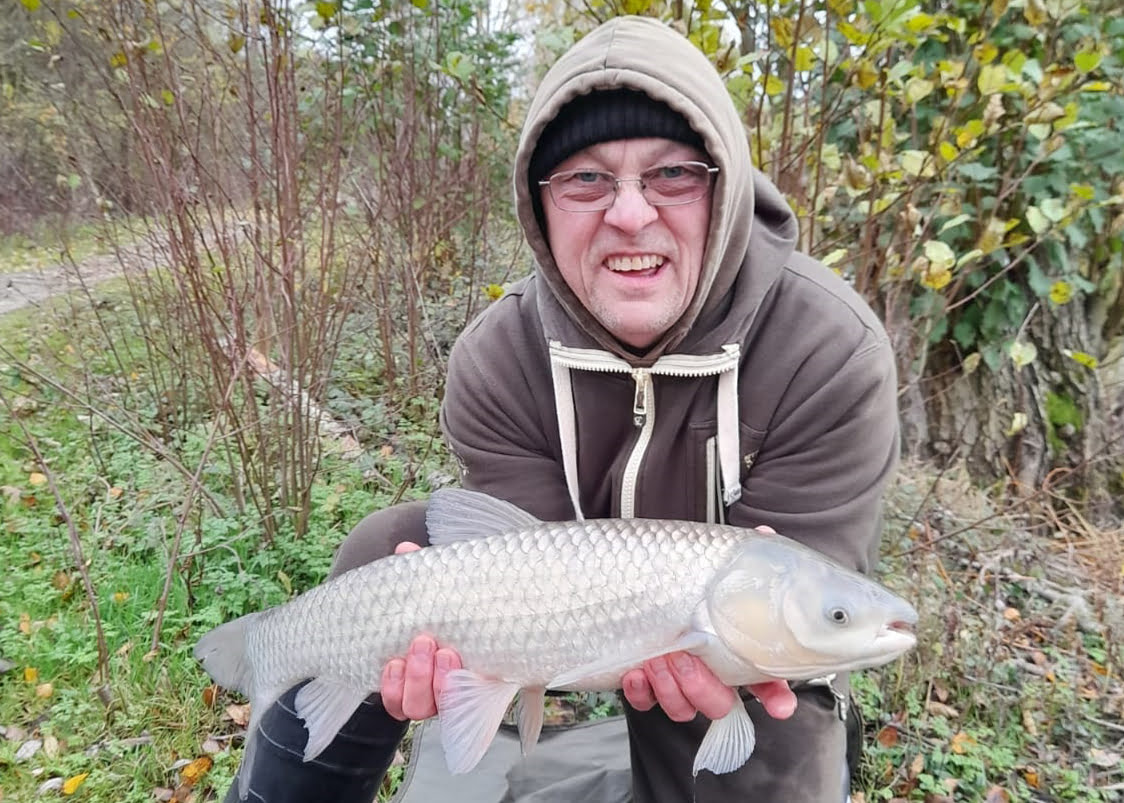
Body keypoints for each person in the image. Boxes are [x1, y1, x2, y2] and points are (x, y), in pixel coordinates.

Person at [221, 14, 899, 803]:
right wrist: (468, 645)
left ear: (726, 186)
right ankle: (282, 727)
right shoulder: (498, 355)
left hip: (738, 639)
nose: (631, 214)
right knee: (389, 555)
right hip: (575, 605)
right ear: (540, 209)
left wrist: (765, 661)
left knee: (757, 721)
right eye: (585, 179)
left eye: (673, 173)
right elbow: (530, 570)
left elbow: (807, 580)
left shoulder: (831, 348)